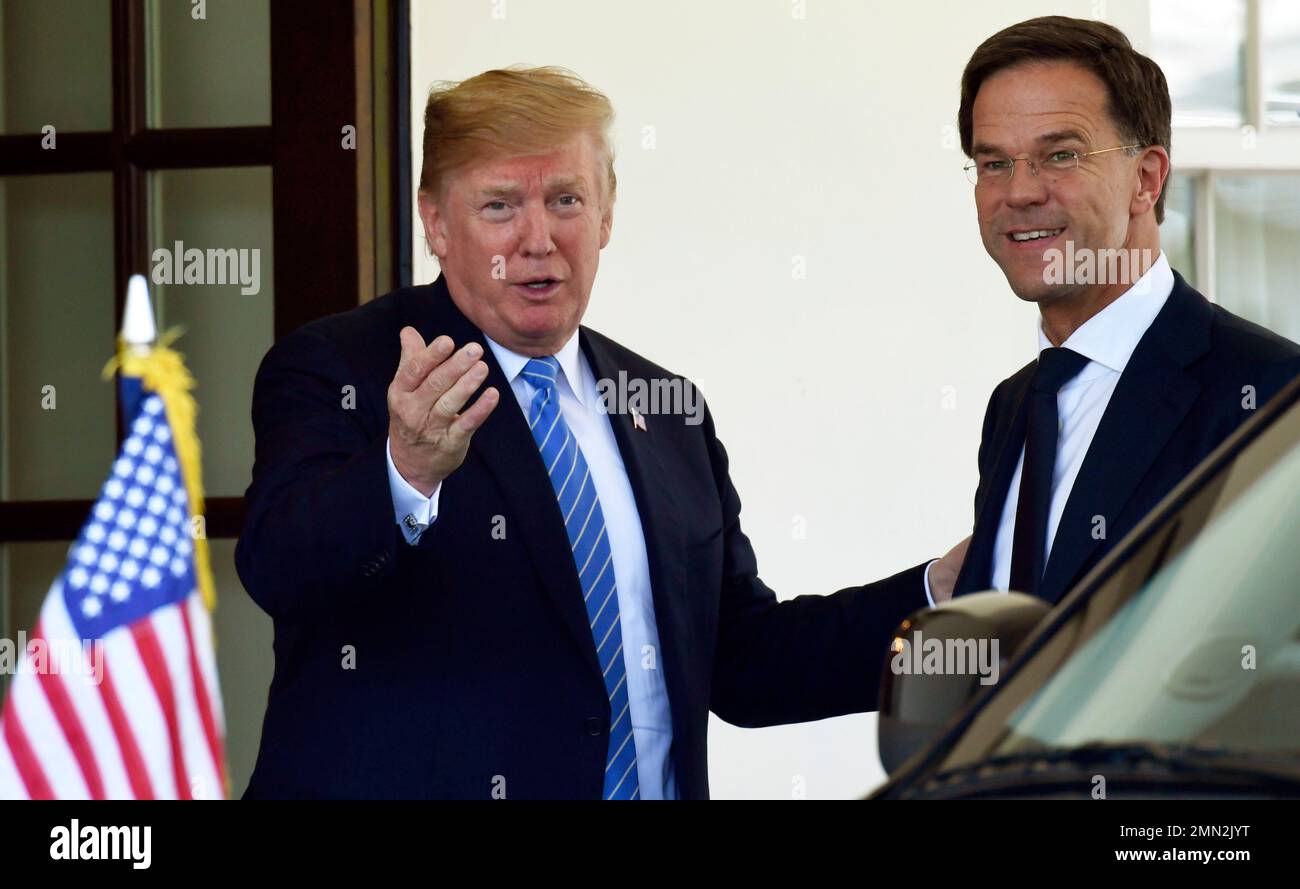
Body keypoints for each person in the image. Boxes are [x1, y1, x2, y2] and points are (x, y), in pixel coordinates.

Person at [236, 67, 966, 799]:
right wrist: (404, 472)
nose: (538, 238)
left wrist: (936, 597)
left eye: (566, 200)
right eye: (499, 205)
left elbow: (744, 661)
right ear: (435, 222)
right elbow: (278, 569)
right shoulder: (346, 367)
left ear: (607, 214)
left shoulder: (667, 408)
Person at [949, 17, 1300, 603]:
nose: (1020, 192)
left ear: (1146, 178)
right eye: (994, 164)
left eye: (1060, 155)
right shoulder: (1013, 406)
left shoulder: (1271, 396)